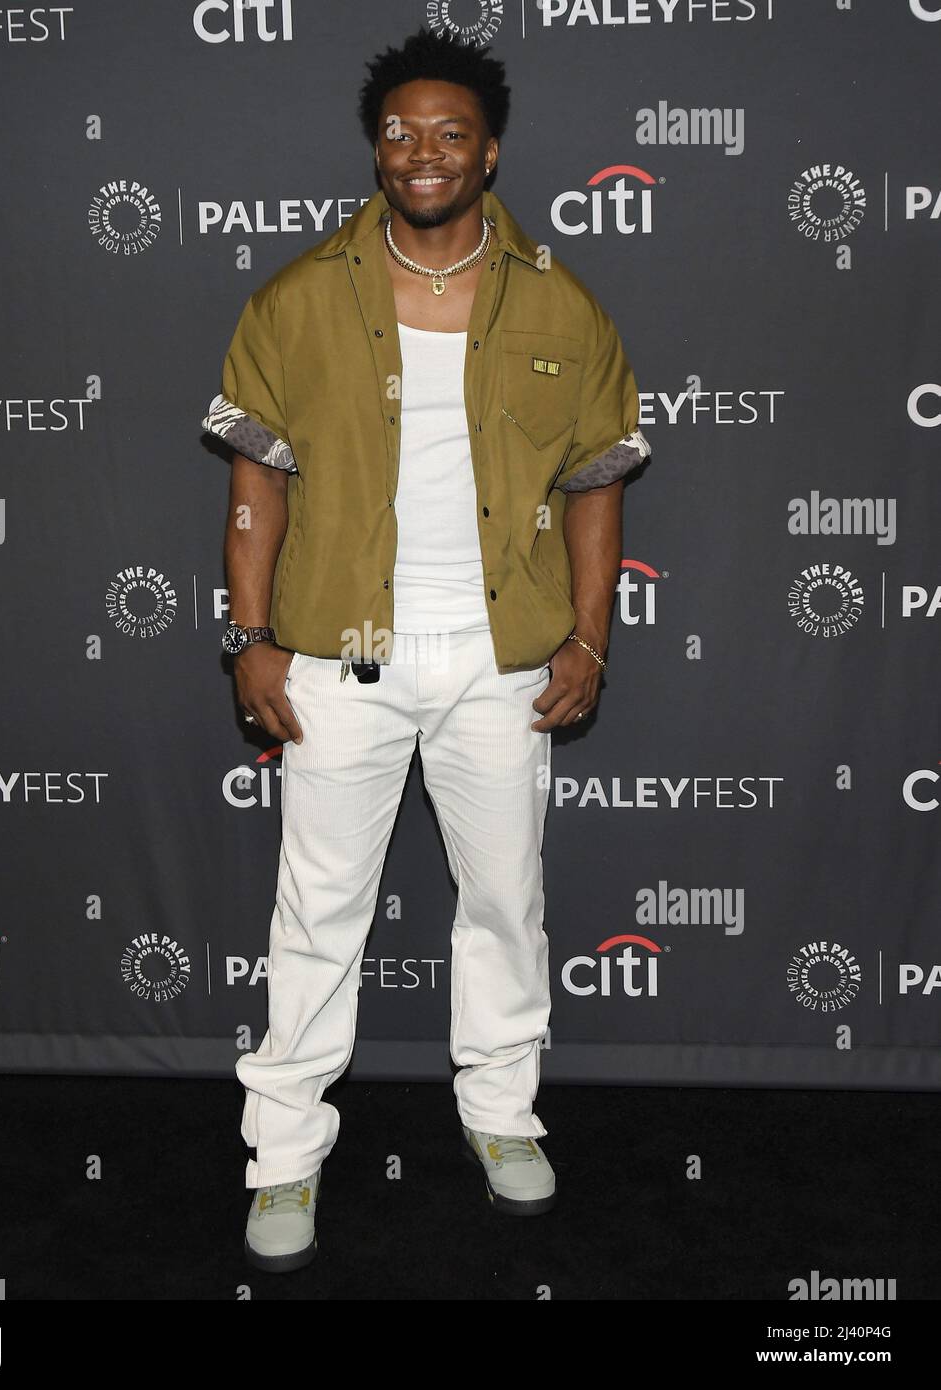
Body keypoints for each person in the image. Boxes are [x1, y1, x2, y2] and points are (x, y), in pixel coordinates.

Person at [201, 25, 652, 1274]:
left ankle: (501, 1112)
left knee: (505, 904)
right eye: (399, 132)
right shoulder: (297, 299)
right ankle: (282, 1152)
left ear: (488, 150)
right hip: (338, 659)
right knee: (315, 915)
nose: (422, 152)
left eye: (450, 132)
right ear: (375, 148)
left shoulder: (561, 303)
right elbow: (254, 484)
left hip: (501, 663)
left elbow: (596, 483)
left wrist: (590, 638)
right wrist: (249, 639)